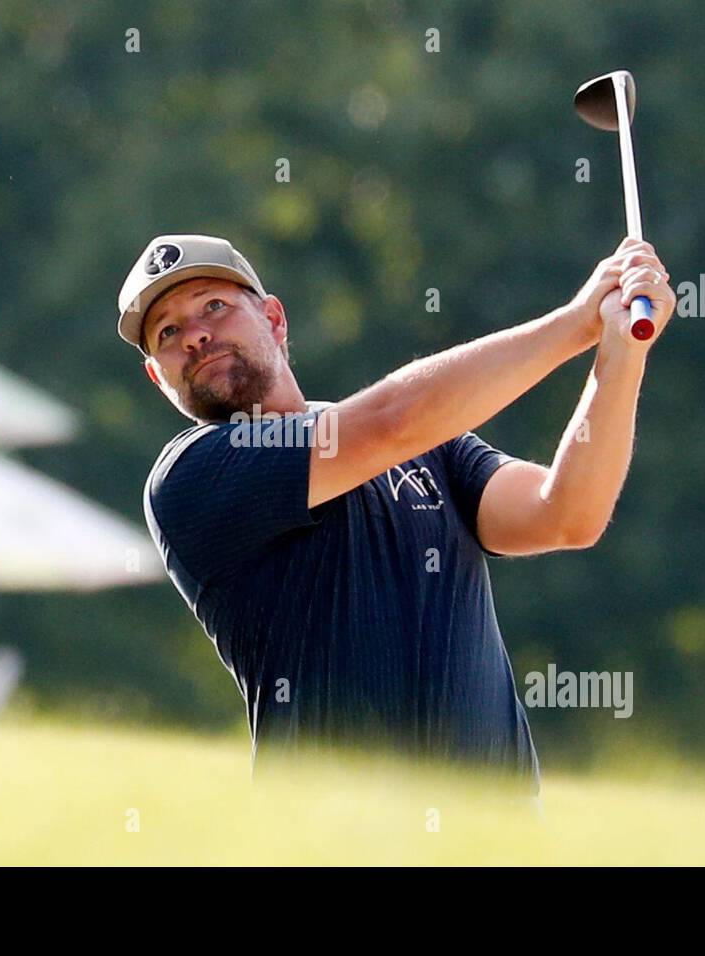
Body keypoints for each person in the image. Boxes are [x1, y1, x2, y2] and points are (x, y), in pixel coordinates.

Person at [117, 234, 676, 794]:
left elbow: (566, 515)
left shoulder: (429, 444)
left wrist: (620, 351)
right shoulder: (190, 476)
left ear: (274, 319)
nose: (196, 334)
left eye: (214, 306)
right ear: (156, 376)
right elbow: (391, 423)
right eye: (168, 332)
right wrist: (578, 322)